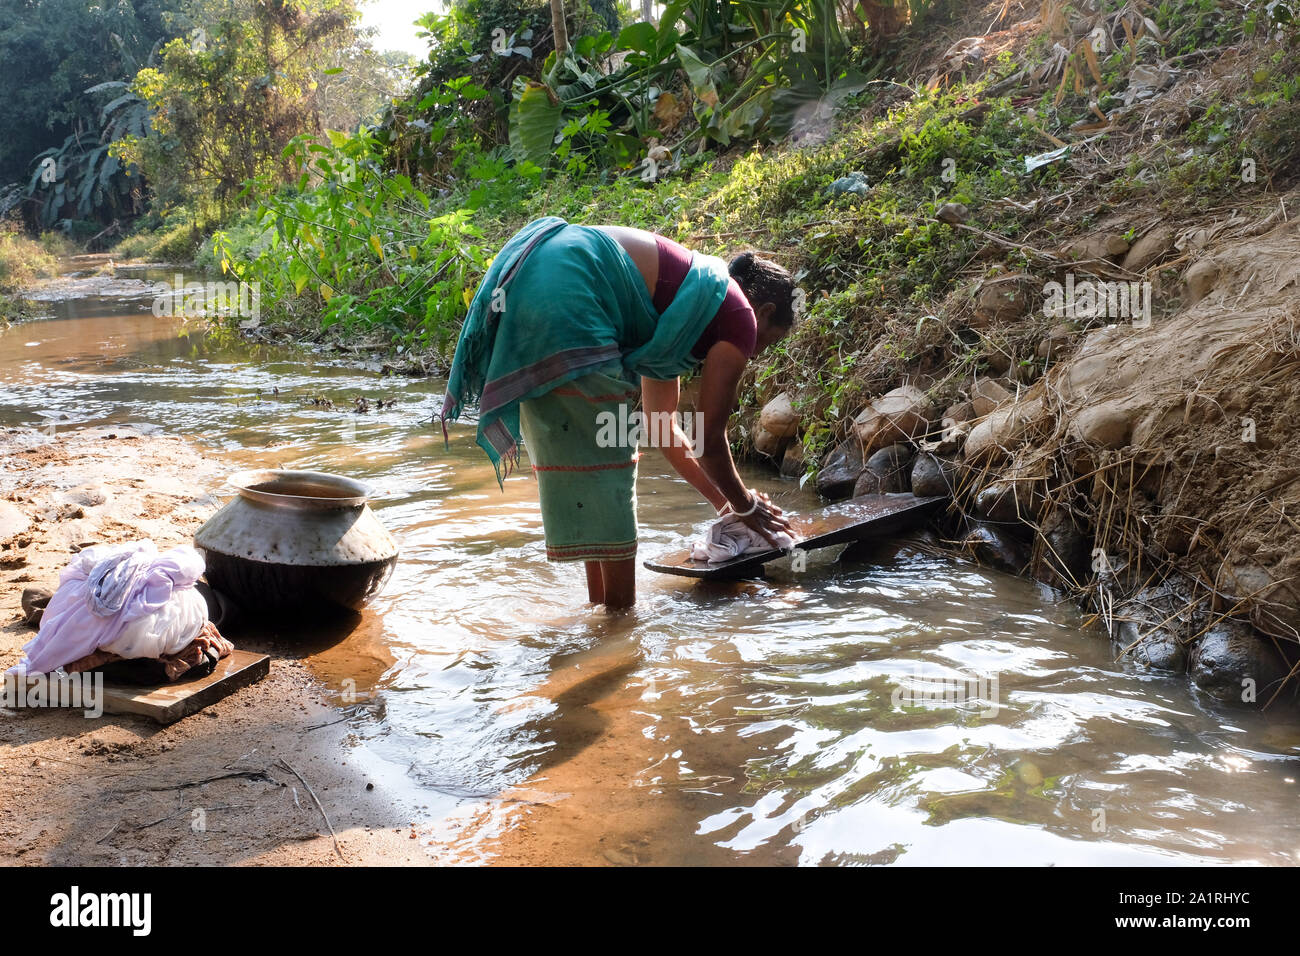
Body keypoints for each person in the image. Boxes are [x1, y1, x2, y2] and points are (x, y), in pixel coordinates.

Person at [441, 216, 797, 608]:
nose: (760, 351)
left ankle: (601, 614)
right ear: (762, 312)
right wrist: (748, 507)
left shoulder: (685, 307)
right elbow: (710, 441)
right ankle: (620, 630)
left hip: (528, 275)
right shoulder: (739, 316)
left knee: (595, 463)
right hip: (571, 290)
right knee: (612, 460)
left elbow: (661, 429)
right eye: (772, 339)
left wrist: (727, 505)